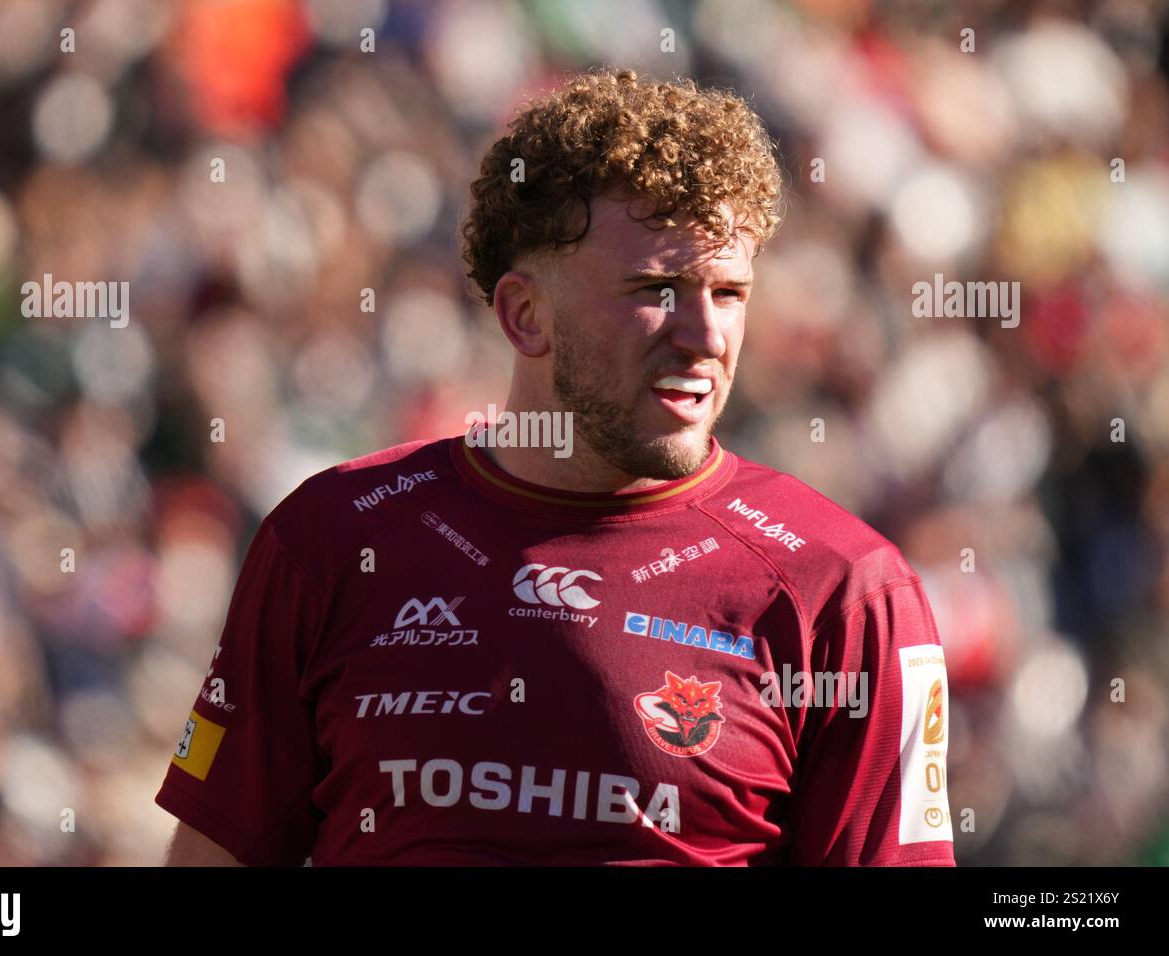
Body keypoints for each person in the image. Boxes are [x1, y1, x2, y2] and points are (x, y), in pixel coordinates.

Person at [157, 67, 955, 866]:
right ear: (525, 315)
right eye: (659, 287)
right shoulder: (331, 539)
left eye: (730, 292)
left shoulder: (846, 593)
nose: (705, 335)